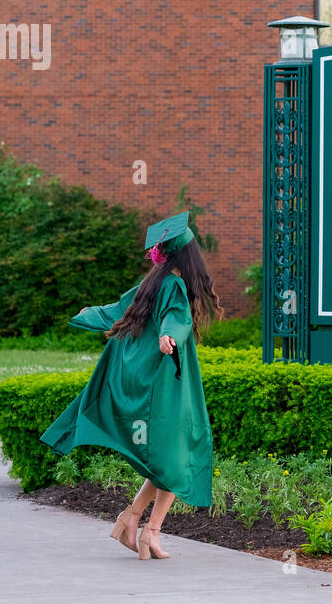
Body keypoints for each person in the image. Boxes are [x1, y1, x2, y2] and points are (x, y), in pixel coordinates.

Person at [39, 210, 221, 560]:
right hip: (165, 382)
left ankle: (136, 521)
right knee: (178, 453)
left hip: (156, 376)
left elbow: (117, 310)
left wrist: (87, 313)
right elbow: (176, 318)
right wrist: (170, 335)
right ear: (190, 256)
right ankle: (144, 527)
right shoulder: (175, 285)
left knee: (170, 454)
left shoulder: (153, 281)